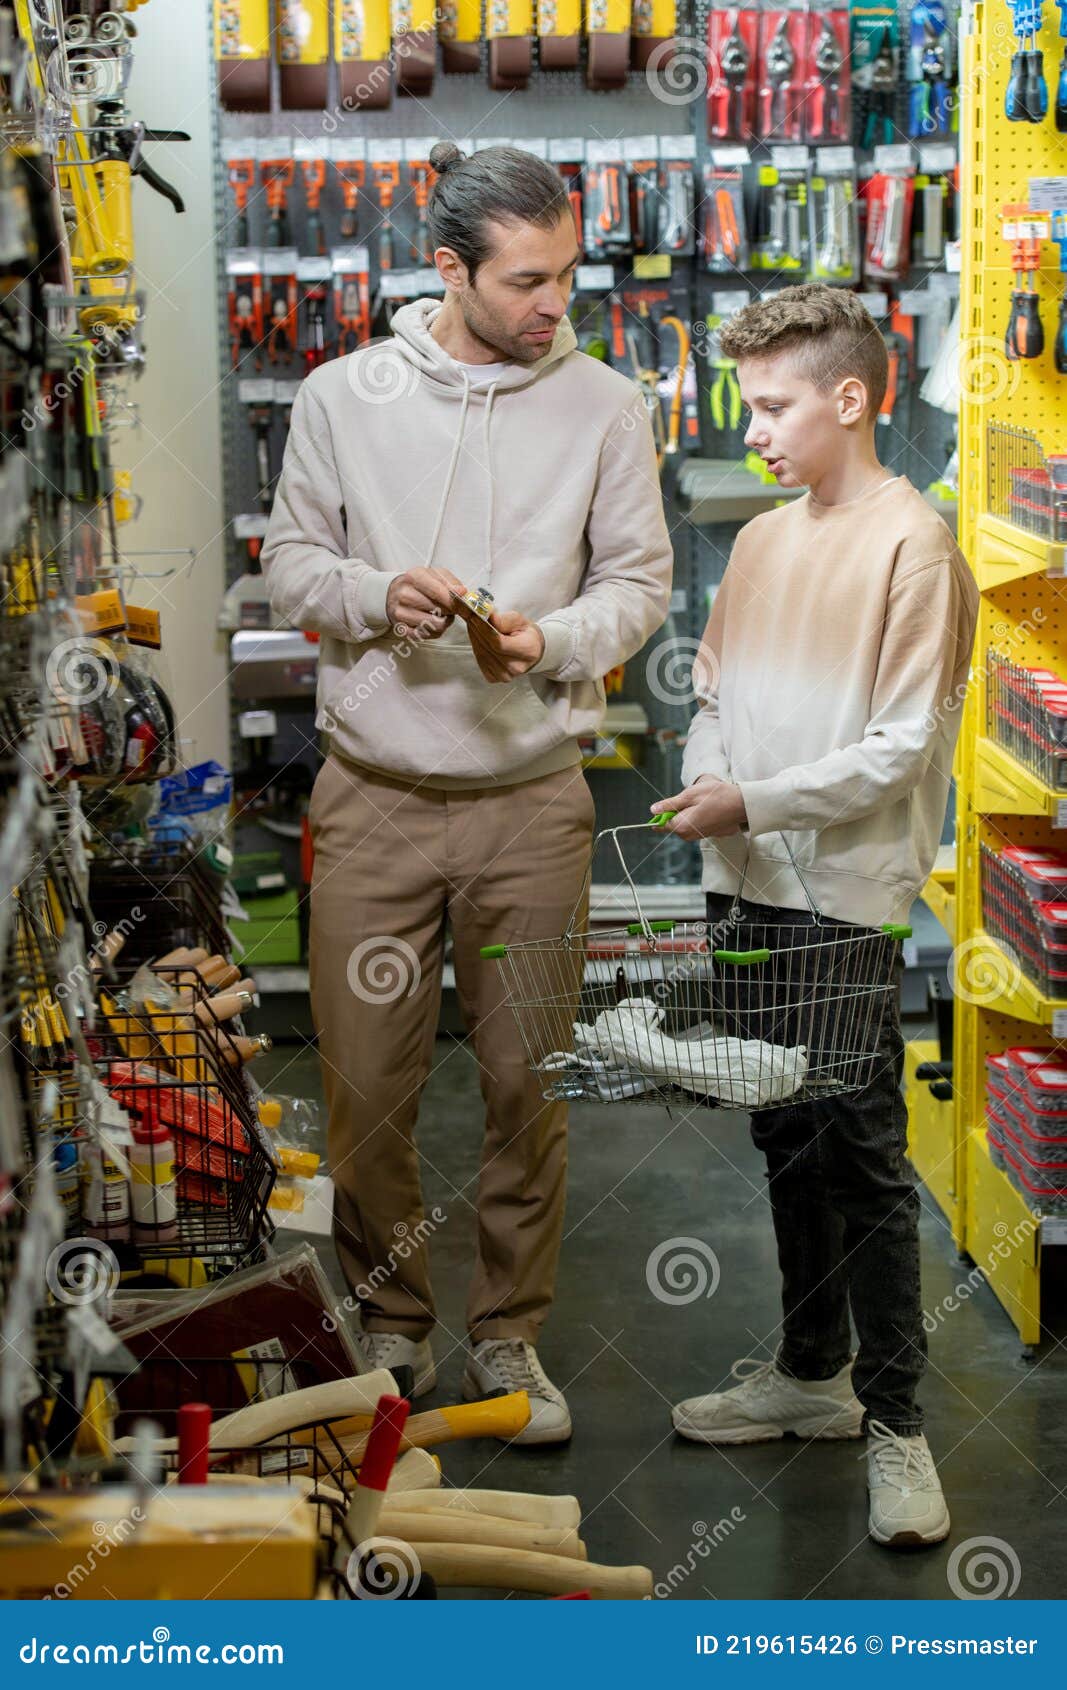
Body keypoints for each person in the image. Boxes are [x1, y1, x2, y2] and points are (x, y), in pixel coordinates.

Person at [262, 142, 673, 1443]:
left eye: (569, 275)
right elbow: (290, 568)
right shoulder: (342, 396)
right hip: (371, 792)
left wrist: (548, 639)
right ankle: (393, 1318)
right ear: (448, 270)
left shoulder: (606, 404)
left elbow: (639, 586)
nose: (558, 304)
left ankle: (507, 1334)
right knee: (363, 1084)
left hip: (531, 800)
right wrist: (370, 600)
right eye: (529, 280)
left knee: (523, 1078)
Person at [651, 284, 978, 1548]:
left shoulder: (915, 542)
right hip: (747, 881)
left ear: (850, 400)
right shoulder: (761, 541)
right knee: (782, 1131)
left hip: (841, 894)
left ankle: (897, 1424)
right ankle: (809, 1373)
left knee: (861, 1152)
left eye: (776, 404)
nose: (759, 428)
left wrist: (754, 796)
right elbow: (715, 689)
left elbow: (900, 748)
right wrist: (712, 778)